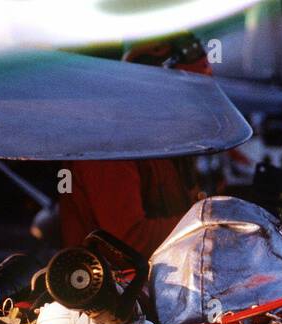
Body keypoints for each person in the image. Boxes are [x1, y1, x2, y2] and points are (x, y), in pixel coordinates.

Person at [57, 33, 209, 255]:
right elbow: (129, 240)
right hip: (115, 284)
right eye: (186, 95)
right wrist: (208, 224)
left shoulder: (167, 142)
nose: (192, 107)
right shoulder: (109, 144)